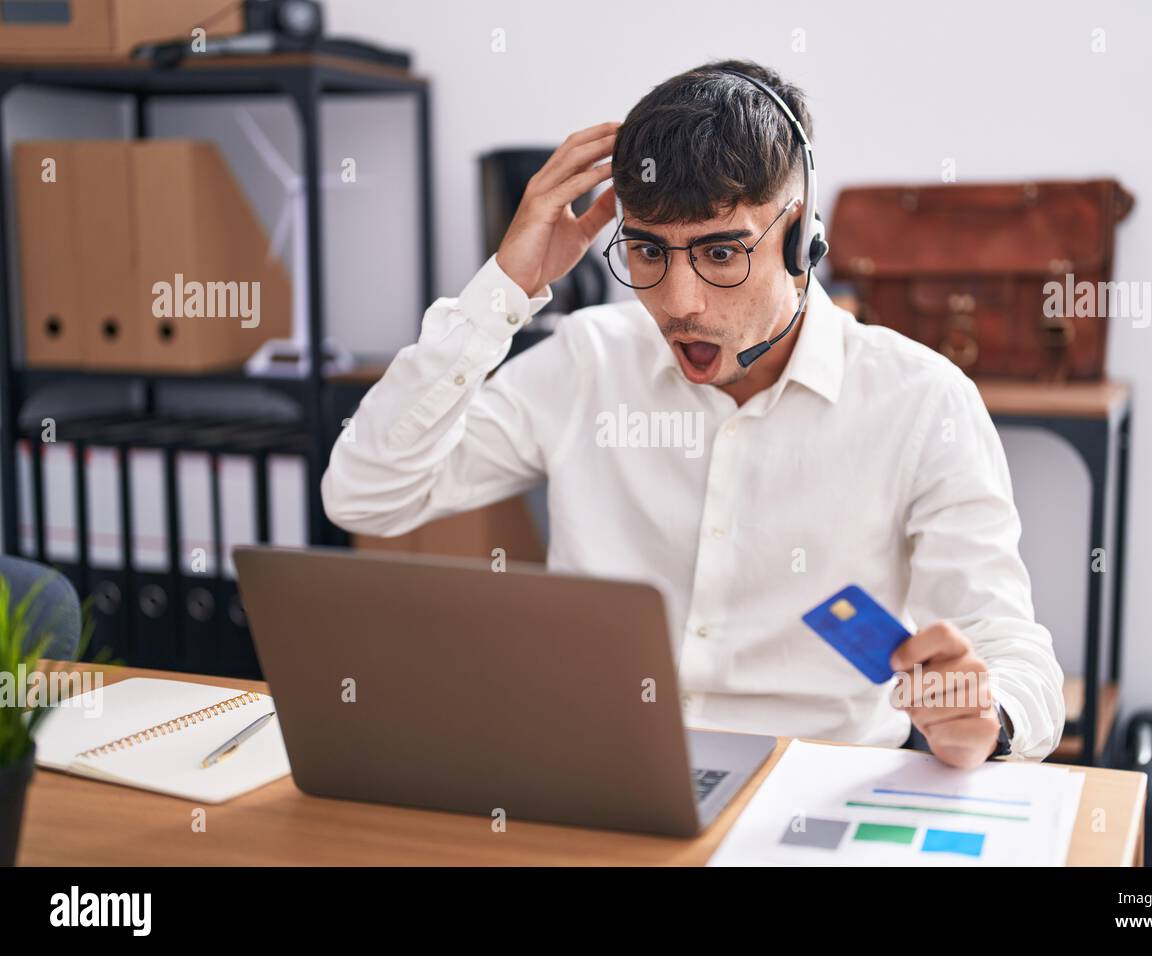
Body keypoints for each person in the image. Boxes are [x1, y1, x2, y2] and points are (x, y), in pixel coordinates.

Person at [322, 59, 1065, 767]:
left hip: (806, 786)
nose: (679, 305)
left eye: (719, 253)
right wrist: (504, 290)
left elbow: (1011, 648)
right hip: (600, 772)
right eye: (647, 252)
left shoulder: (919, 400)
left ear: (799, 235)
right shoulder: (588, 361)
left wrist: (987, 715)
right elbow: (366, 495)